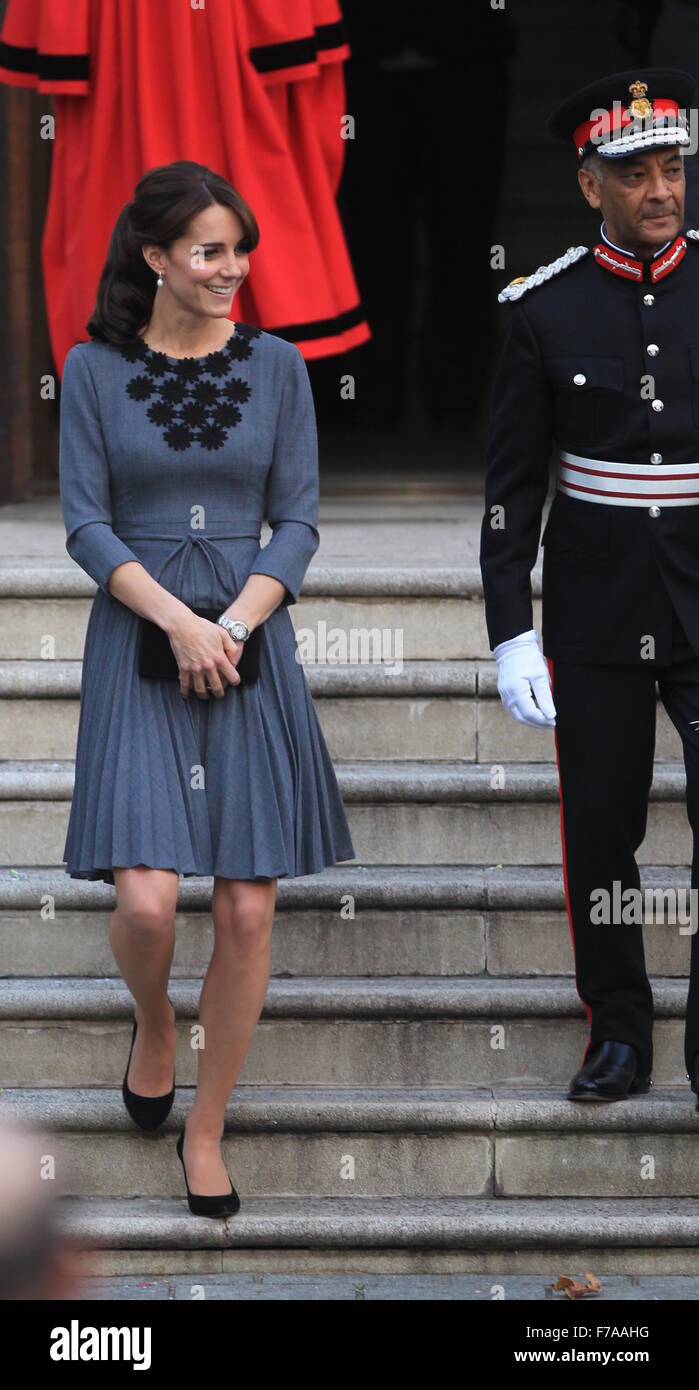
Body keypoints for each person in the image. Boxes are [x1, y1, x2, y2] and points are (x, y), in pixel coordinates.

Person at [58, 160, 356, 1215]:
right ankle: (152, 1021)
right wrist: (176, 619)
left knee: (244, 906)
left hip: (247, 639)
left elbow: (304, 518)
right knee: (146, 901)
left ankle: (209, 1126)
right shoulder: (92, 370)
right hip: (141, 629)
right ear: (155, 259)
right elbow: (85, 521)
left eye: (239, 249)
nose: (231, 269)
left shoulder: (279, 368)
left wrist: (230, 621)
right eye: (209, 251)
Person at [479, 68, 699, 1104]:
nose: (660, 189)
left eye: (672, 167)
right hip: (598, 604)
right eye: (635, 172)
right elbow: (511, 494)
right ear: (589, 186)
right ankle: (617, 1031)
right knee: (603, 831)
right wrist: (509, 631)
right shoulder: (542, 310)